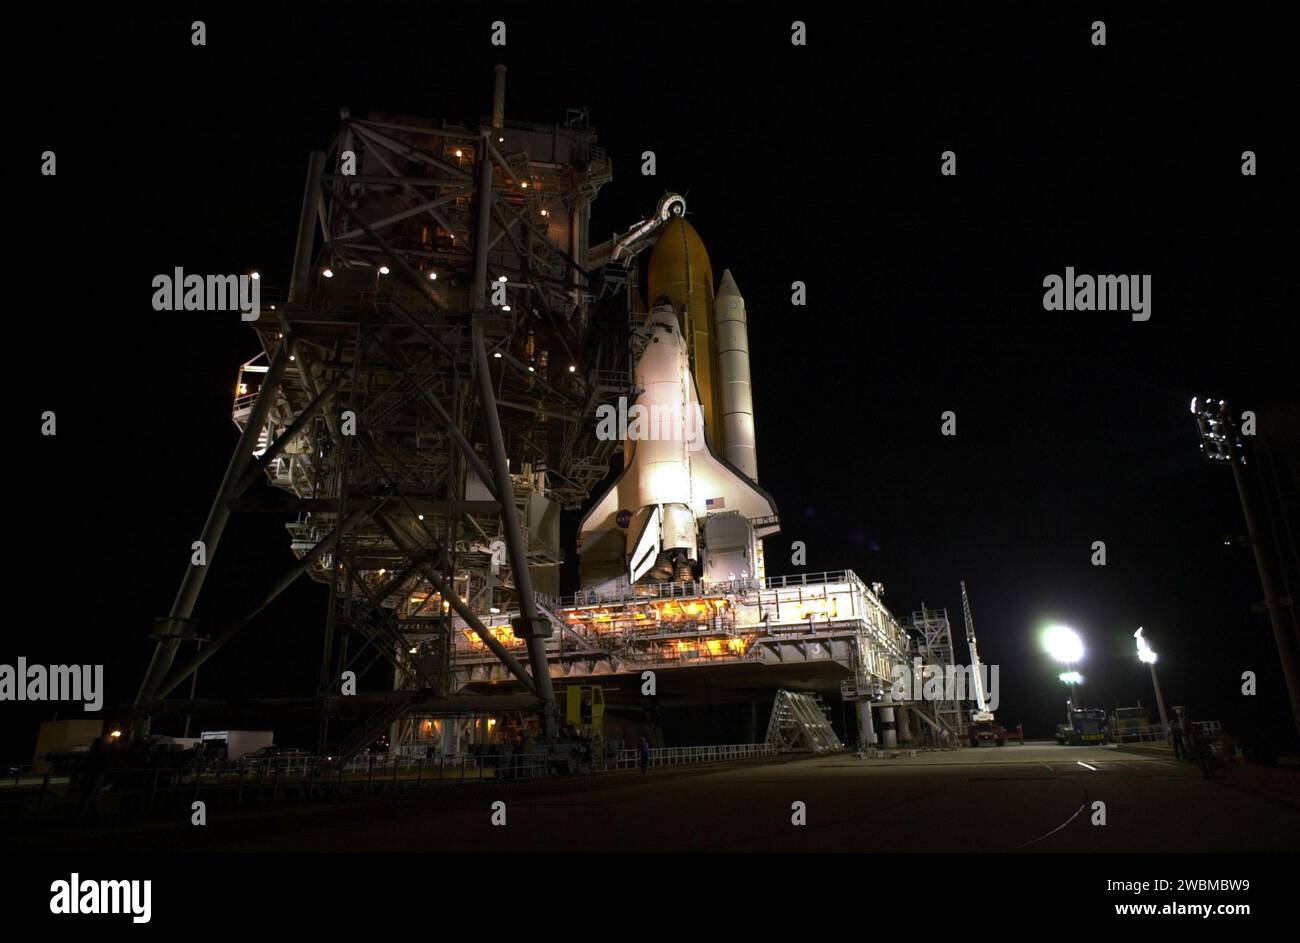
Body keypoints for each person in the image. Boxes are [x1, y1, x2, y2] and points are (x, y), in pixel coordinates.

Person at [77, 737, 110, 821]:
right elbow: (105, 766)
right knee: (93, 798)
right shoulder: (102, 753)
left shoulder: (93, 753)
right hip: (97, 776)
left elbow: (86, 765)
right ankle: (98, 817)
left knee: (88, 797)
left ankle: (79, 816)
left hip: (92, 776)